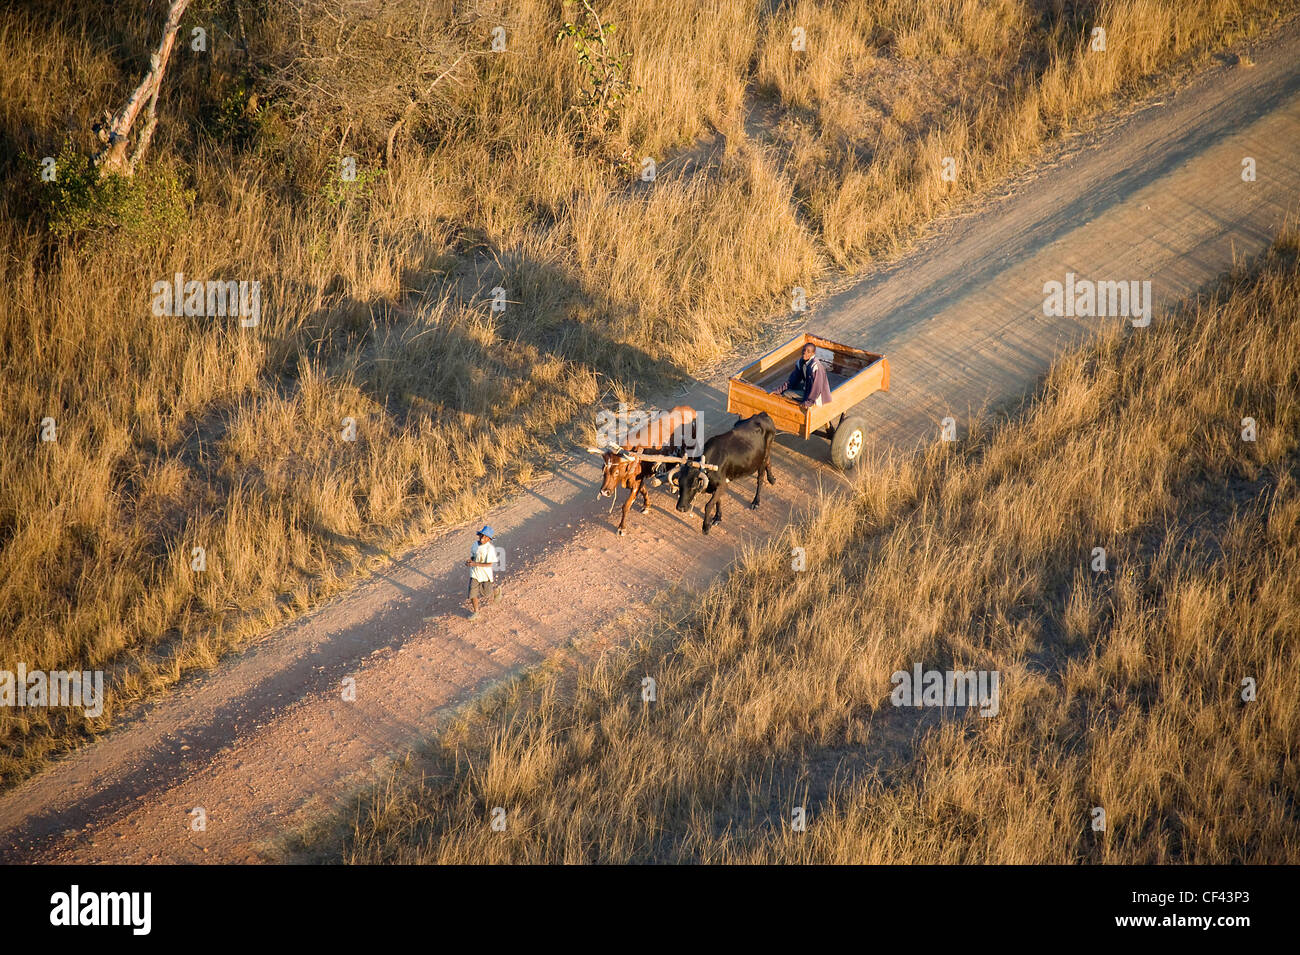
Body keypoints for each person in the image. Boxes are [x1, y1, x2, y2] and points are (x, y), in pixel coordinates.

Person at [774, 342, 832, 408]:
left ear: (813, 354)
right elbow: (792, 381)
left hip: (818, 396)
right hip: (807, 388)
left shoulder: (815, 367)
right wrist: (778, 390)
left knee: (786, 393)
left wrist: (808, 402)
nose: (805, 352)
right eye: (804, 350)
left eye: (808, 351)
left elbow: (816, 388)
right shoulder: (800, 362)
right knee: (788, 388)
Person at [464, 525, 501, 620]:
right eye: (481, 535)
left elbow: (489, 564)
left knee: (487, 594)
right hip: (474, 574)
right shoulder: (475, 545)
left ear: (489, 539)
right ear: (479, 535)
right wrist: (469, 561)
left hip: (485, 575)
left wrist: (475, 563)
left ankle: (496, 591)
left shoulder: (490, 549)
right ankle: (476, 612)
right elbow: (472, 556)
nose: (482, 538)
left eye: (485, 537)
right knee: (473, 594)